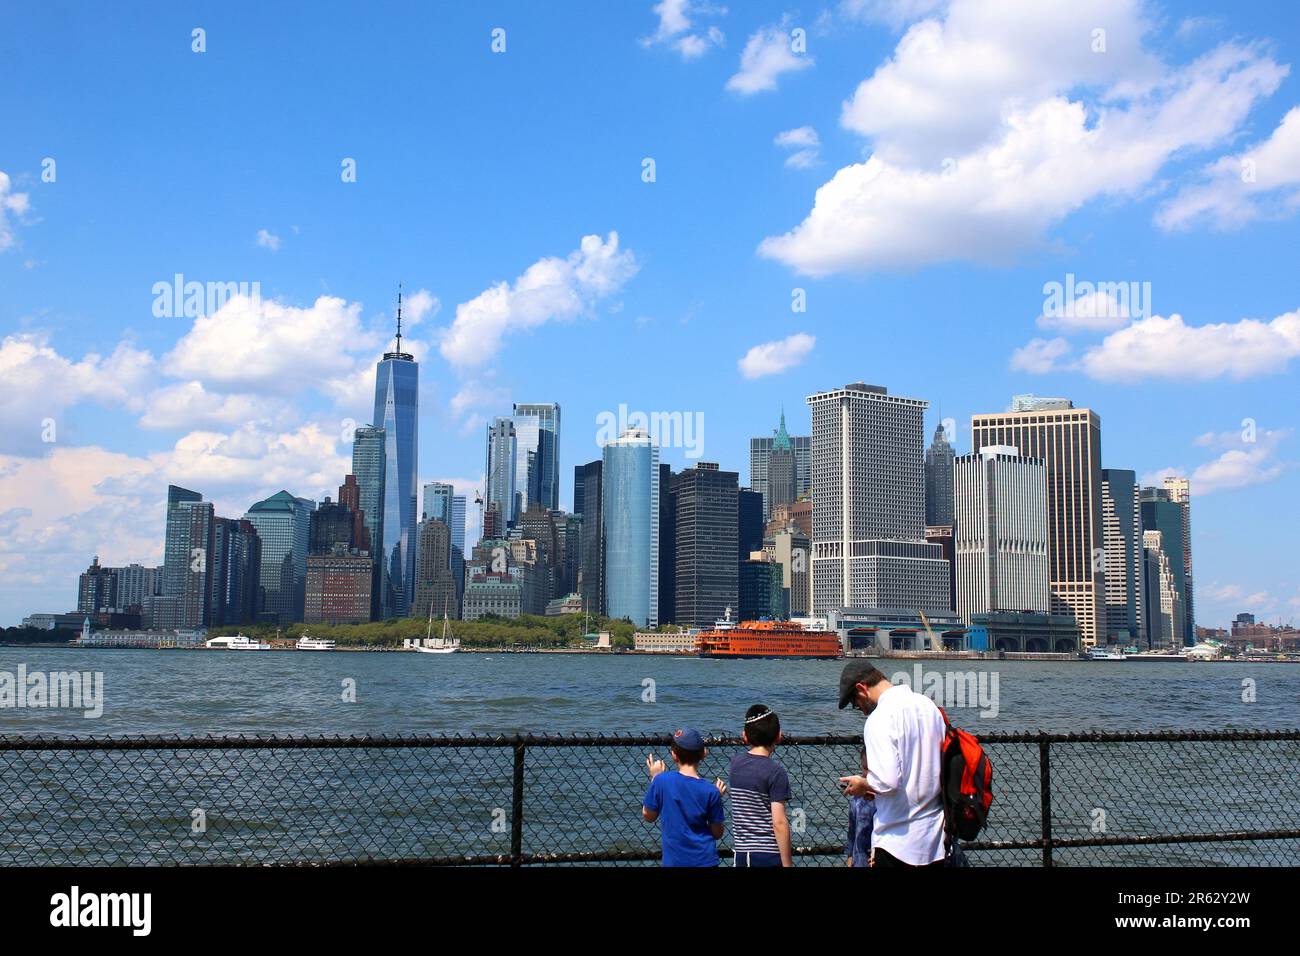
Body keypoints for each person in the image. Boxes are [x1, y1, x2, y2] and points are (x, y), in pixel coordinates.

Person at [837, 660, 948, 868]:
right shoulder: (928, 706)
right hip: (935, 841)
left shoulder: (879, 718)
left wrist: (863, 784)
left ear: (861, 688)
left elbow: (887, 782)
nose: (860, 710)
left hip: (896, 843)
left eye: (855, 702)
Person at [641, 727, 727, 867]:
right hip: (705, 860)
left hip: (675, 861)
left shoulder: (662, 781)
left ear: (674, 755)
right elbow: (717, 833)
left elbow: (648, 816)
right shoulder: (711, 791)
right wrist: (717, 798)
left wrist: (655, 777)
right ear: (702, 755)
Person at [727, 704, 794, 867]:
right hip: (768, 854)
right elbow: (779, 822)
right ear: (778, 736)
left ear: (745, 736)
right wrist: (787, 863)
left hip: (742, 853)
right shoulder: (776, 772)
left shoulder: (735, 764)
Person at [844, 746, 875, 867]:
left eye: (870, 769)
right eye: (864, 768)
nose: (865, 773)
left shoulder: (888, 799)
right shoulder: (857, 798)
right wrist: (850, 857)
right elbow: (852, 832)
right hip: (859, 859)